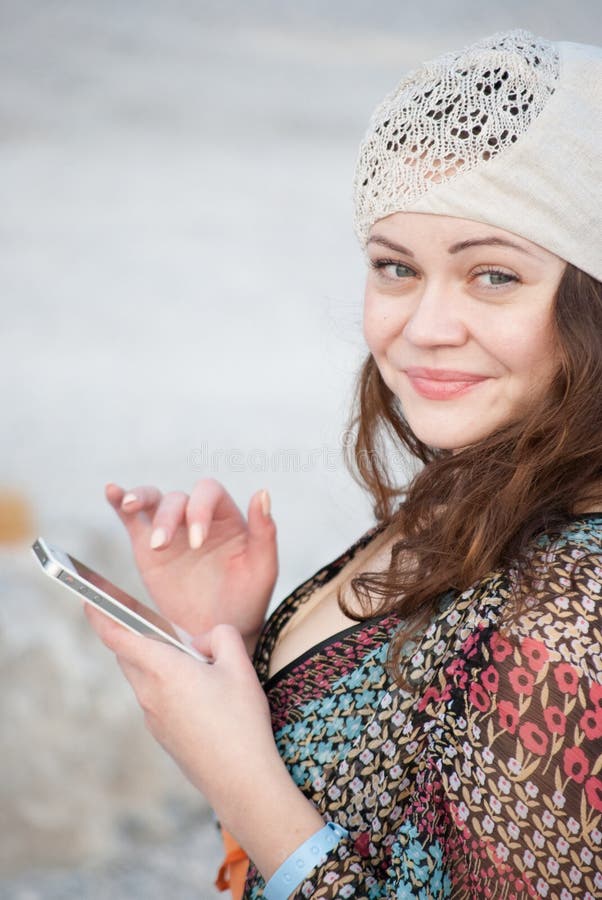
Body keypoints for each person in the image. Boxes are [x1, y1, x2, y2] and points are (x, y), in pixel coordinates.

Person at [84, 28, 602, 898]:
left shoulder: (573, 617)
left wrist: (232, 774)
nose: (426, 325)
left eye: (494, 277)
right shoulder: (486, 493)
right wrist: (235, 640)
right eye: (396, 267)